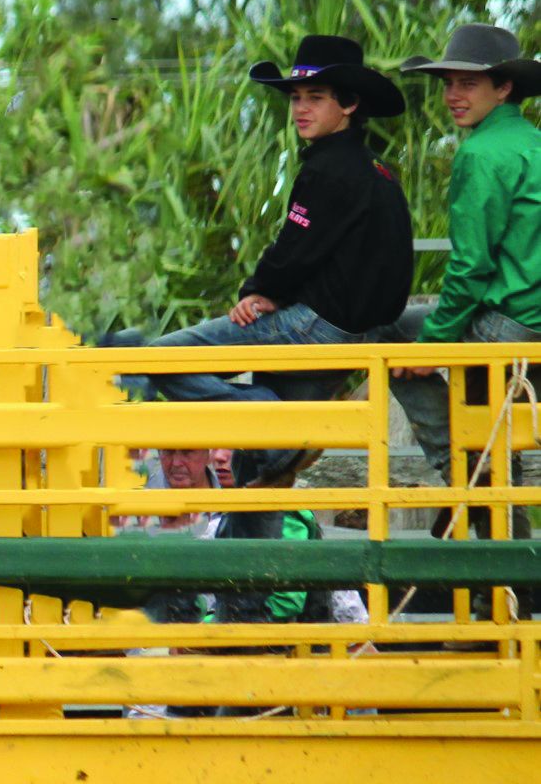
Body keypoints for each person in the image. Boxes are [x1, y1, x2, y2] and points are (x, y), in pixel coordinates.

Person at [127, 36, 414, 479]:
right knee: (263, 470)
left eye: (315, 98)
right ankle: (270, 444)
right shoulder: (378, 172)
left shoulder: (327, 168)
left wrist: (259, 292)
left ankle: (262, 412)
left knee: (157, 359)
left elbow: (295, 252)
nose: (301, 108)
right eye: (296, 98)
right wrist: (283, 294)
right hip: (352, 335)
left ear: (350, 103)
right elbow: (339, 257)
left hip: (313, 327)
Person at [385, 24, 541, 483]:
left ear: (504, 88)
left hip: (506, 324)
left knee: (385, 335)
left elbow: (471, 268)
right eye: (448, 83)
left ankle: (459, 463)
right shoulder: (534, 143)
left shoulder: (480, 155)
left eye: (468, 83)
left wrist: (432, 345)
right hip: (534, 319)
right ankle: (485, 470)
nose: (453, 95)